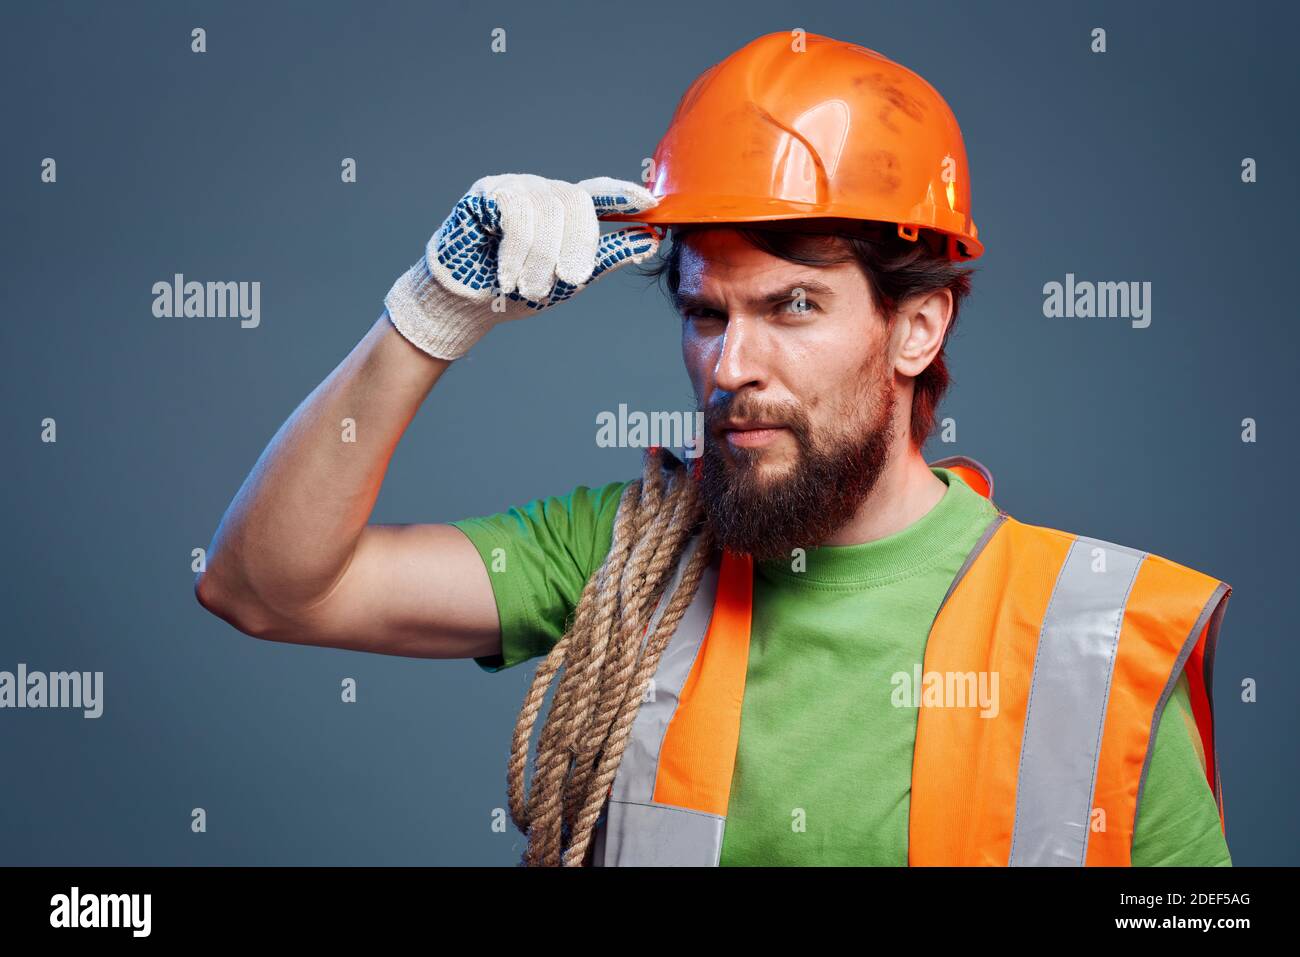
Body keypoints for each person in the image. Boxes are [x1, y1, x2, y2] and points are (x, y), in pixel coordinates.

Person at [195, 31, 1231, 868]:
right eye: (703, 312)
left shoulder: (1094, 642)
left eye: (791, 306)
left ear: (918, 327)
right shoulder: (625, 559)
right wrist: (431, 311)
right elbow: (266, 587)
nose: (731, 363)